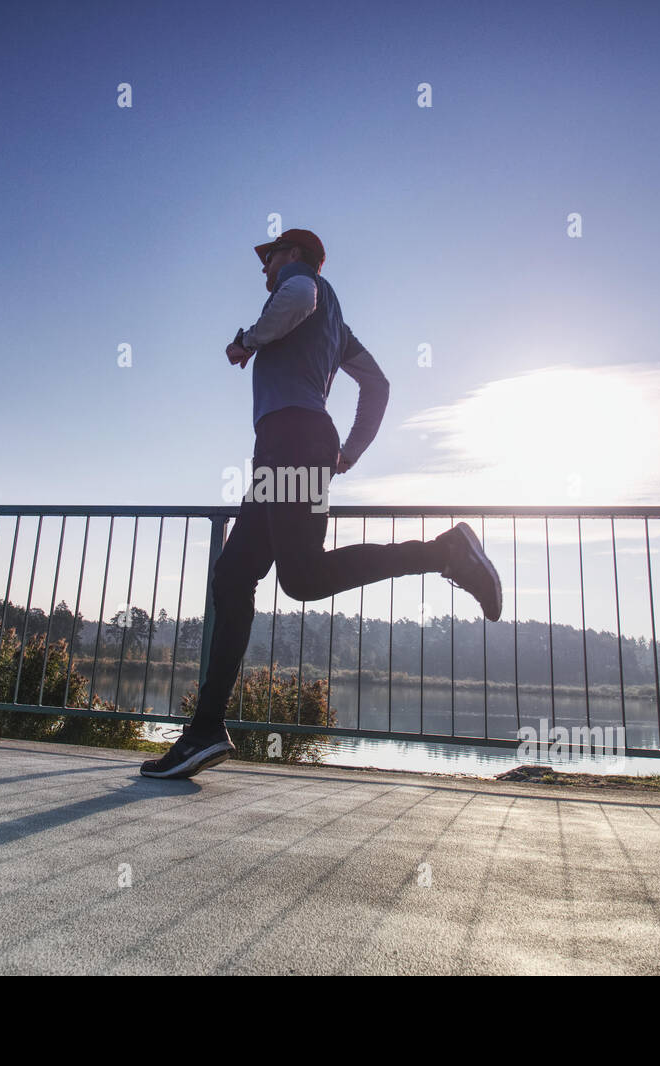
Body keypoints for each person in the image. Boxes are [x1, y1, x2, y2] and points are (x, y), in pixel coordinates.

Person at [141, 229, 503, 779]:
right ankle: (206, 730)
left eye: (270, 259)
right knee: (234, 575)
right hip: (285, 449)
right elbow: (377, 384)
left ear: (293, 256)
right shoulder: (339, 328)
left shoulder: (304, 286)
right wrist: (350, 450)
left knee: (303, 578)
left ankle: (445, 552)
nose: (265, 271)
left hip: (292, 443)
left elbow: (299, 296)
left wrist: (249, 338)